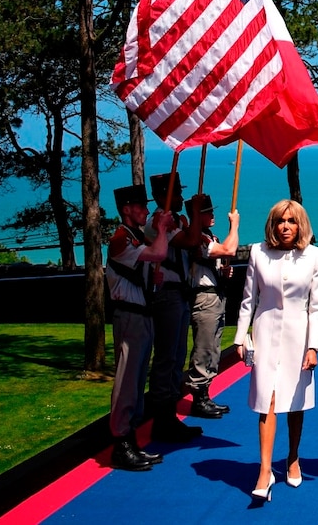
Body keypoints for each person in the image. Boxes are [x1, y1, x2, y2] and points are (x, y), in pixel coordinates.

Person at [234, 200, 318, 501]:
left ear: (301, 225)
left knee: (295, 402)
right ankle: (264, 470)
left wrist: (314, 346)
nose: (285, 227)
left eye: (291, 221)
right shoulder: (258, 252)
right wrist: (239, 337)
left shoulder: (314, 255)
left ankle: (293, 457)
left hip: (299, 338)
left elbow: (317, 305)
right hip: (265, 333)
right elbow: (248, 299)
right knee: (268, 400)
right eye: (279, 221)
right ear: (272, 225)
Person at [106, 182, 172, 471]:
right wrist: (161, 230)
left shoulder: (133, 236)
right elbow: (158, 253)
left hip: (142, 314)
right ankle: (121, 442)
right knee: (127, 381)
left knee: (135, 381)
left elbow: (149, 263)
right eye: (141, 206)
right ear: (126, 210)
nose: (146, 209)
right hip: (130, 316)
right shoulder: (122, 238)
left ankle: (130, 439)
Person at [143, 172, 201, 442]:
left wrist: (191, 222)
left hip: (180, 292)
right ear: (162, 196)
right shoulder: (157, 221)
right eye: (176, 193)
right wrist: (196, 217)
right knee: (166, 358)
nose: (181, 198)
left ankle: (169, 414)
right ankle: (161, 417)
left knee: (177, 356)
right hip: (166, 292)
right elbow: (188, 242)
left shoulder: (175, 221)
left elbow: (194, 244)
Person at [183, 191, 239, 419]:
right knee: (205, 346)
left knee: (214, 346)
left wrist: (223, 272)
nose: (212, 215)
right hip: (204, 296)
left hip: (215, 293)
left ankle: (205, 393)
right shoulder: (197, 238)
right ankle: (198, 397)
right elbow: (230, 250)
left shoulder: (209, 236)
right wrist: (234, 226)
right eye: (207, 212)